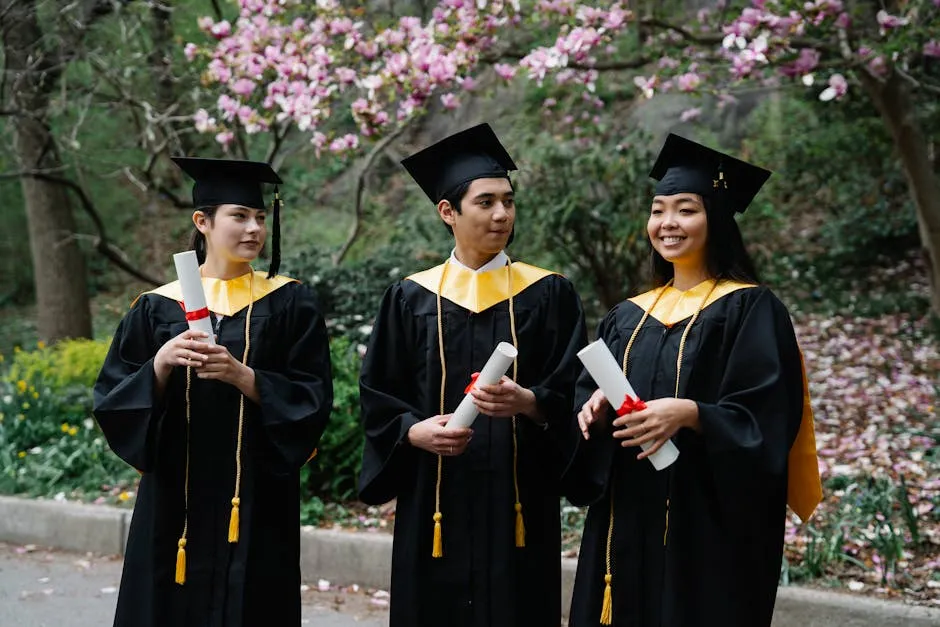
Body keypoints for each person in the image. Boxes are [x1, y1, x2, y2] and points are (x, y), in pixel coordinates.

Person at [565, 134, 822, 627]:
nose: (667, 224)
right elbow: (591, 401)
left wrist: (691, 413)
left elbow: (768, 415)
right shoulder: (627, 316)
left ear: (717, 218)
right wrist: (593, 408)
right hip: (627, 518)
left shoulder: (750, 308)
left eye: (686, 210)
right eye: (658, 210)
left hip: (706, 523)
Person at [358, 123, 588, 627]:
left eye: (508, 200)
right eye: (485, 202)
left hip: (521, 500)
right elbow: (378, 394)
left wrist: (530, 401)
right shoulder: (410, 297)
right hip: (434, 501)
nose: (502, 214)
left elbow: (575, 390)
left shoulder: (548, 293)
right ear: (448, 212)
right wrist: (412, 431)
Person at [93, 157, 333, 627]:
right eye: (239, 216)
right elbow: (113, 398)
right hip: (172, 502)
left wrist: (244, 375)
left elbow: (313, 397)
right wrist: (161, 364)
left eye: (260, 218)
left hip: (256, 499)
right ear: (202, 222)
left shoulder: (289, 303)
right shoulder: (155, 308)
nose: (254, 229)